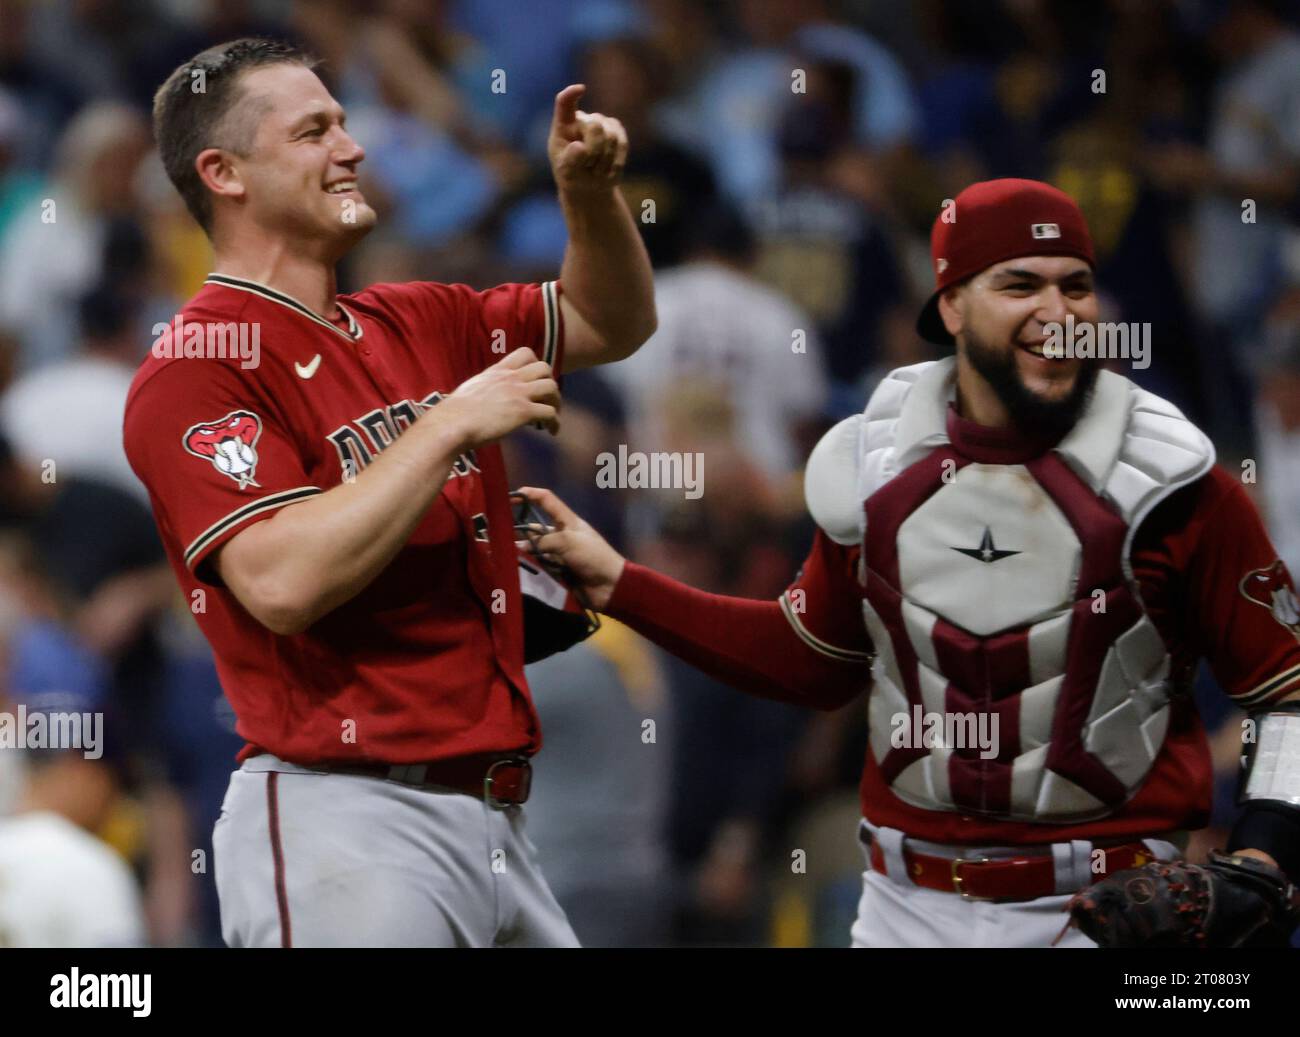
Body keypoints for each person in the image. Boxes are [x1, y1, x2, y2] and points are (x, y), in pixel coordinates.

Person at [517, 178, 1300, 948]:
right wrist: (619, 583)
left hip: (1111, 910)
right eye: (1020, 284)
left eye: (1077, 285)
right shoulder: (873, 463)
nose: (1057, 314)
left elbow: (1289, 690)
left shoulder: (1174, 481)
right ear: (951, 305)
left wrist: (1262, 859)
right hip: (904, 907)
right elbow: (809, 661)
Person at [123, 38, 655, 948]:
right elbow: (283, 583)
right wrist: (445, 424)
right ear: (224, 172)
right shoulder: (195, 367)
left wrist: (588, 196)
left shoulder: (418, 316)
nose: (352, 146)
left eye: (344, 122)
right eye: (314, 129)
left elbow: (612, 319)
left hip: (498, 818)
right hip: (349, 821)